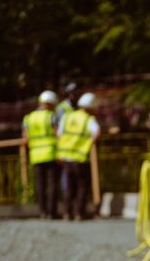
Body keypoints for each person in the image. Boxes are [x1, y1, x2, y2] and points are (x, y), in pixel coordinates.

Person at [56, 92, 101, 220]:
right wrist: (88, 142)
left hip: (65, 156)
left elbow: (59, 134)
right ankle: (78, 213)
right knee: (82, 186)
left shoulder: (67, 117)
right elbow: (97, 132)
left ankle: (67, 213)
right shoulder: (88, 119)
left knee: (68, 186)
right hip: (80, 157)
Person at [22, 90, 59, 218]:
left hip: (36, 155)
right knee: (52, 185)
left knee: (40, 186)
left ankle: (42, 212)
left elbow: (25, 138)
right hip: (50, 153)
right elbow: (57, 134)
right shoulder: (51, 116)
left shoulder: (28, 118)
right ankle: (51, 212)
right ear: (49, 104)